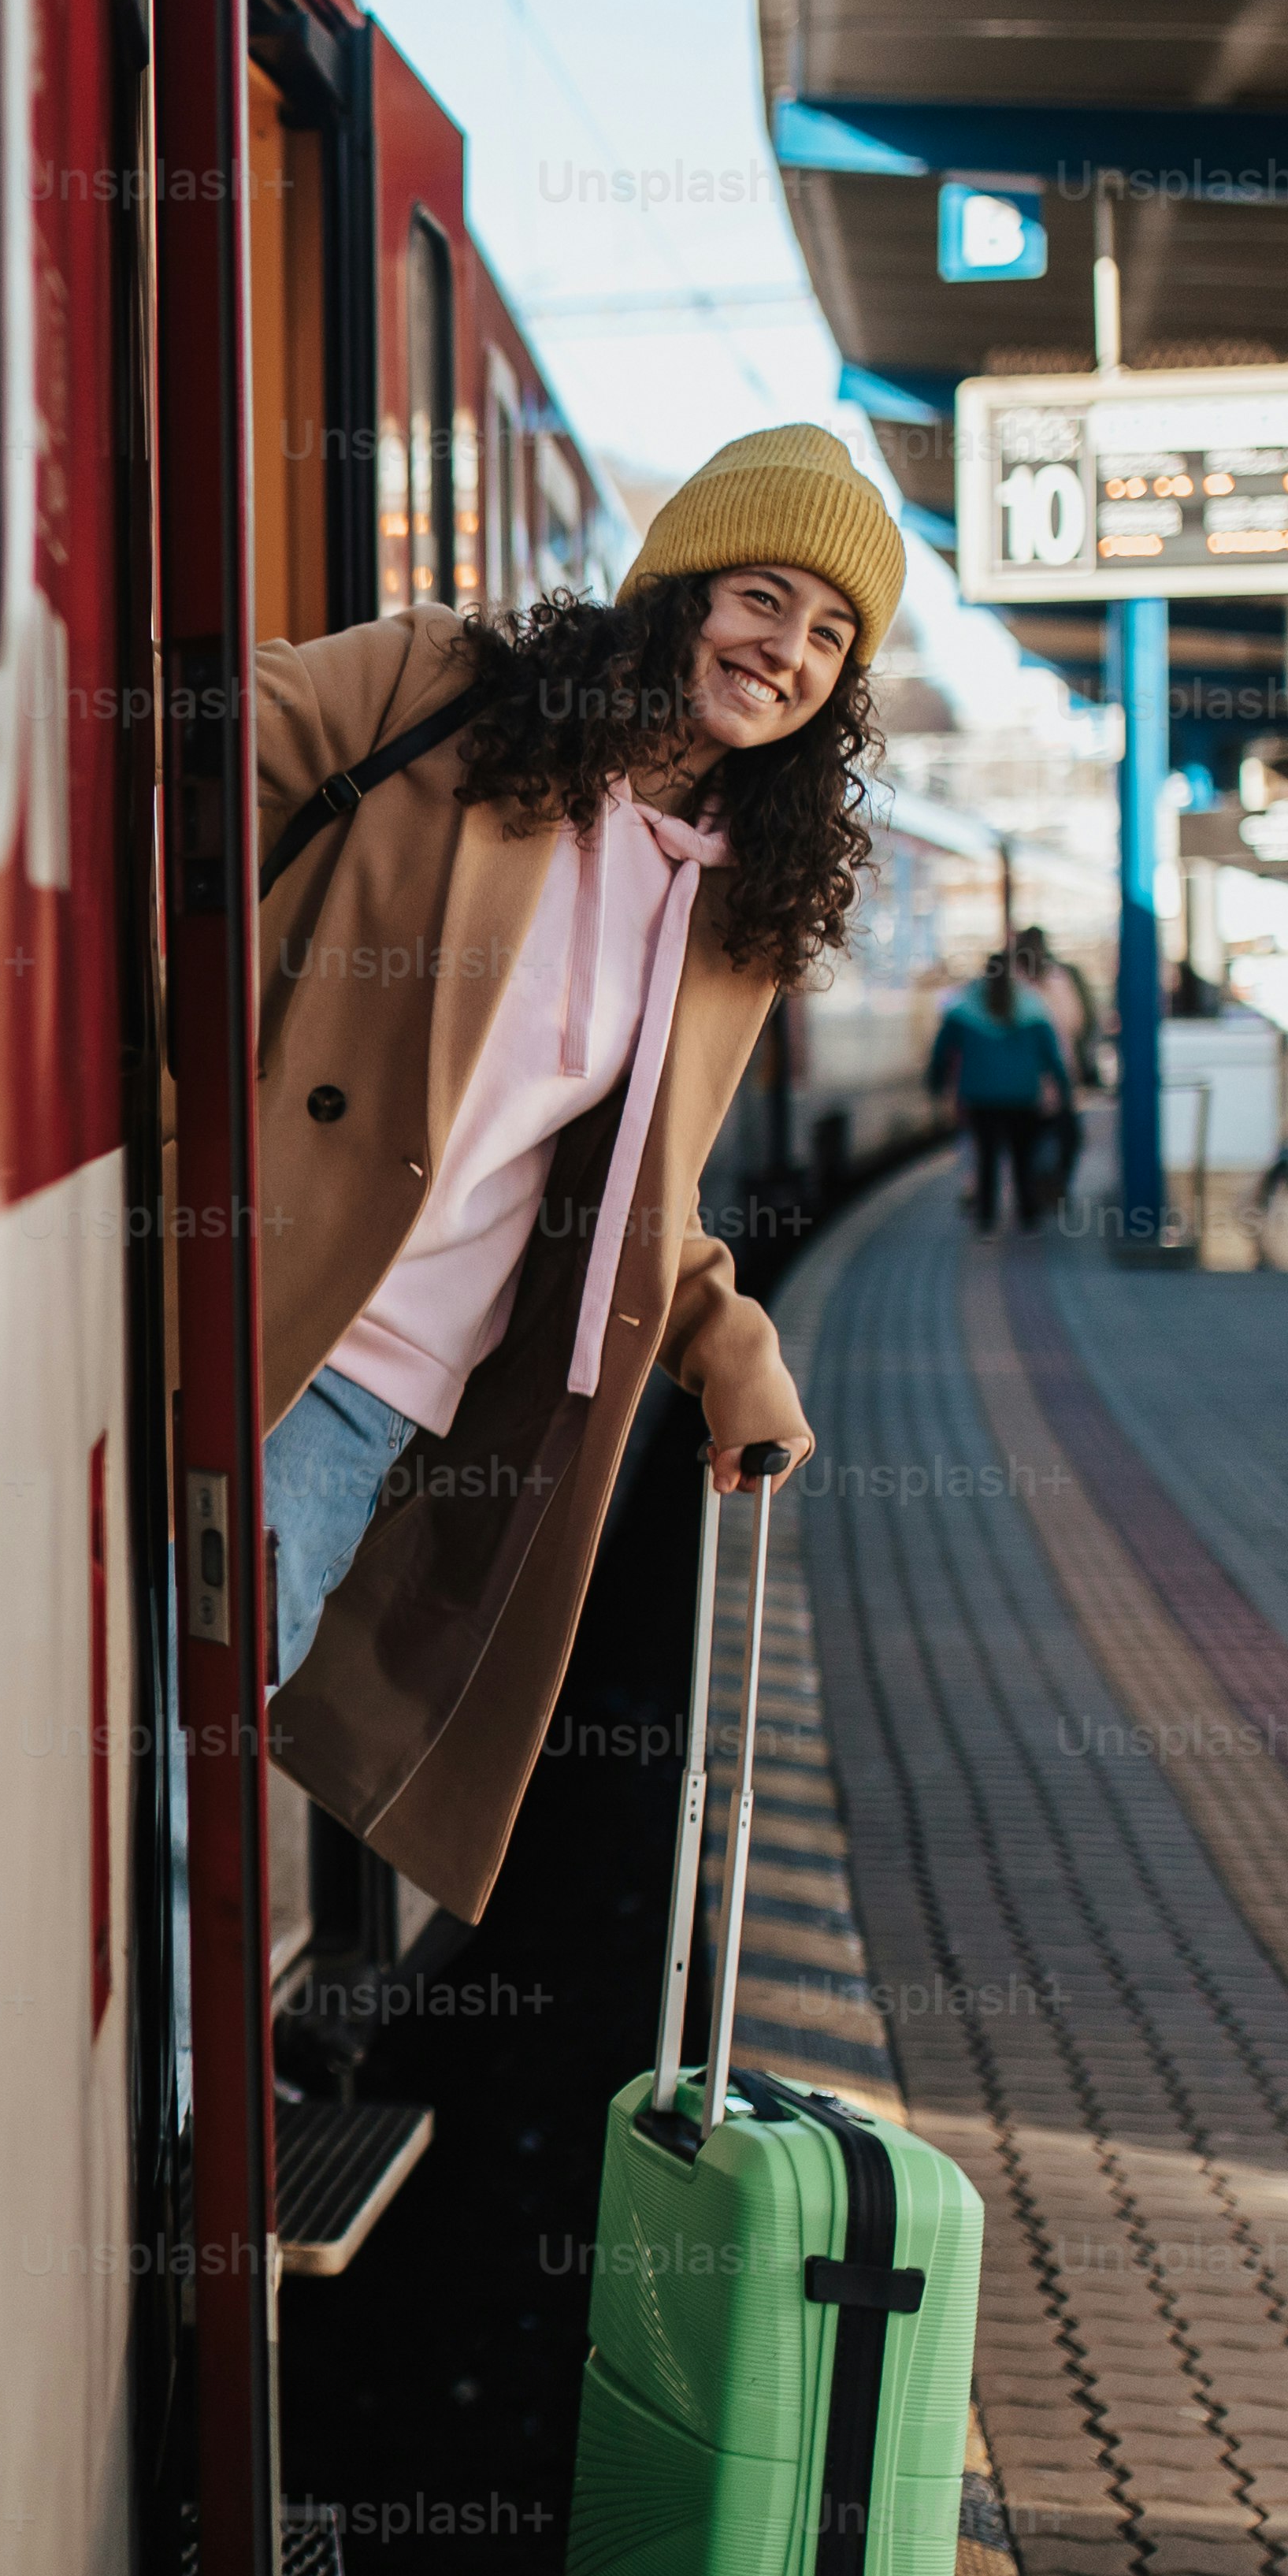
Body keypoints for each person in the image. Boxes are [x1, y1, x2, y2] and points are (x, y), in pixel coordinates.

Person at [241, 422, 891, 1929]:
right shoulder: (446, 689)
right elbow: (177, 750)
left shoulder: (735, 913)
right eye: (762, 597)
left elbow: (638, 1193)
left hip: (371, 1385)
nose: (785, 649)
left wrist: (731, 1344)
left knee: (173, 1739)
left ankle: (156, 2113)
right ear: (679, 593)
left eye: (830, 633)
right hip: (214, 1274)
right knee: (85, 1722)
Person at [928, 957, 1071, 1236]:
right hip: (1023, 1097)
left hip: (981, 1098)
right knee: (1023, 1159)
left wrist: (935, 1084)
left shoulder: (964, 1008)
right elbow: (1052, 1056)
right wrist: (1063, 1091)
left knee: (986, 1159)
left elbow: (941, 1051)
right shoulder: (1033, 1007)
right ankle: (1028, 1217)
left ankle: (985, 1220)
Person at [1008, 924, 1100, 1222]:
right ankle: (1054, 1187)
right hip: (1058, 1074)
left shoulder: (1010, 981)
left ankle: (1029, 1203)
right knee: (1066, 1135)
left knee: (1024, 1142)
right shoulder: (1058, 978)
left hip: (1020, 1079)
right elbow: (1077, 1021)